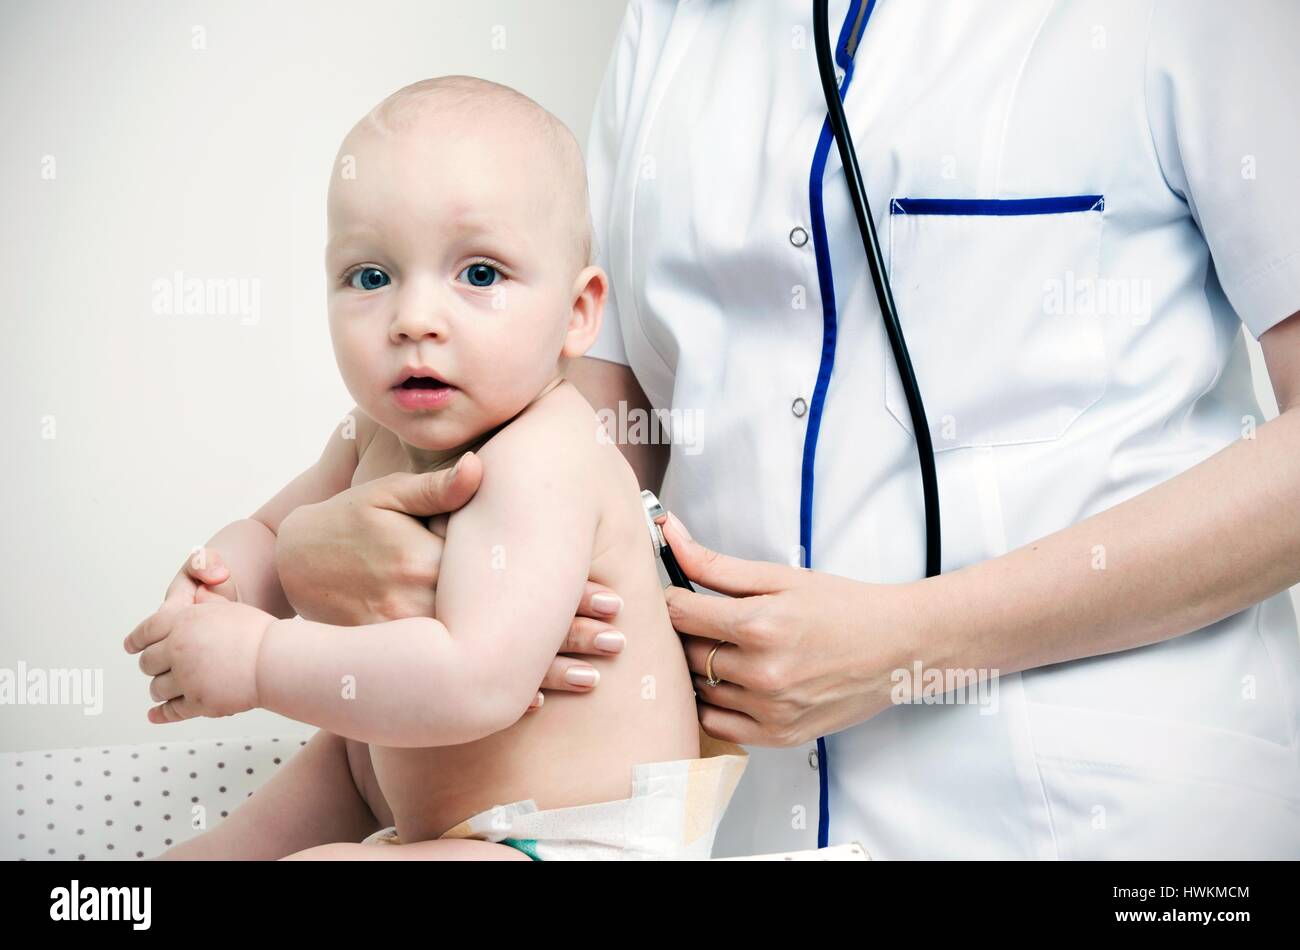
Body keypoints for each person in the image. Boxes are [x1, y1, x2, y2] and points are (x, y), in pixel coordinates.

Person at [279, 0, 1300, 859]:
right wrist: (340, 536)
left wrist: (913, 641)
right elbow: (585, 429)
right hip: (741, 811)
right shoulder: (672, 22)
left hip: (1104, 814)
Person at [126, 75, 746, 861]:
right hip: (432, 811)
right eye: (370, 277)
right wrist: (220, 585)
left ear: (579, 312)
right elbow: (272, 532)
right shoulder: (369, 437)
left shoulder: (547, 453)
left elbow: (473, 681)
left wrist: (256, 658)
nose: (413, 320)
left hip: (574, 841)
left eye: (479, 274)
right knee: (275, 809)